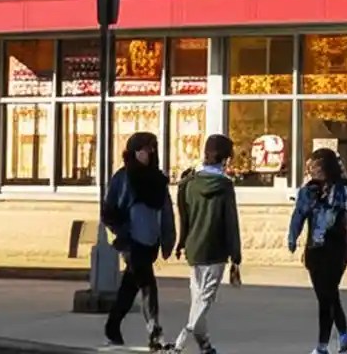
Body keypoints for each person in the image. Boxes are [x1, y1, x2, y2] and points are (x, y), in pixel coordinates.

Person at [288, 148, 347, 354]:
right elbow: (299, 215)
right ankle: (343, 332)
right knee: (327, 295)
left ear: (326, 167)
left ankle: (322, 346)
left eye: (315, 166)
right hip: (315, 249)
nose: (311, 170)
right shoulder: (308, 191)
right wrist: (292, 237)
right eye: (310, 167)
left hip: (337, 247)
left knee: (327, 295)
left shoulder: (344, 188)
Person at [102, 132, 176, 350]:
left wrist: (168, 239)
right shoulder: (123, 178)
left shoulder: (157, 179)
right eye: (145, 149)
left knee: (130, 286)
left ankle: (112, 324)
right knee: (147, 286)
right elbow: (109, 211)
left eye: (152, 149)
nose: (149, 153)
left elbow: (166, 211)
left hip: (149, 241)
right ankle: (154, 333)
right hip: (131, 241)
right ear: (134, 151)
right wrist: (122, 232)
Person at [173, 134, 243, 354]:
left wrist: (181, 241)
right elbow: (231, 222)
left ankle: (205, 344)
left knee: (198, 298)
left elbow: (183, 216)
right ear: (225, 158)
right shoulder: (224, 186)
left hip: (193, 247)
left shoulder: (188, 183)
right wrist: (236, 256)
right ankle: (183, 338)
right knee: (205, 299)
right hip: (216, 249)